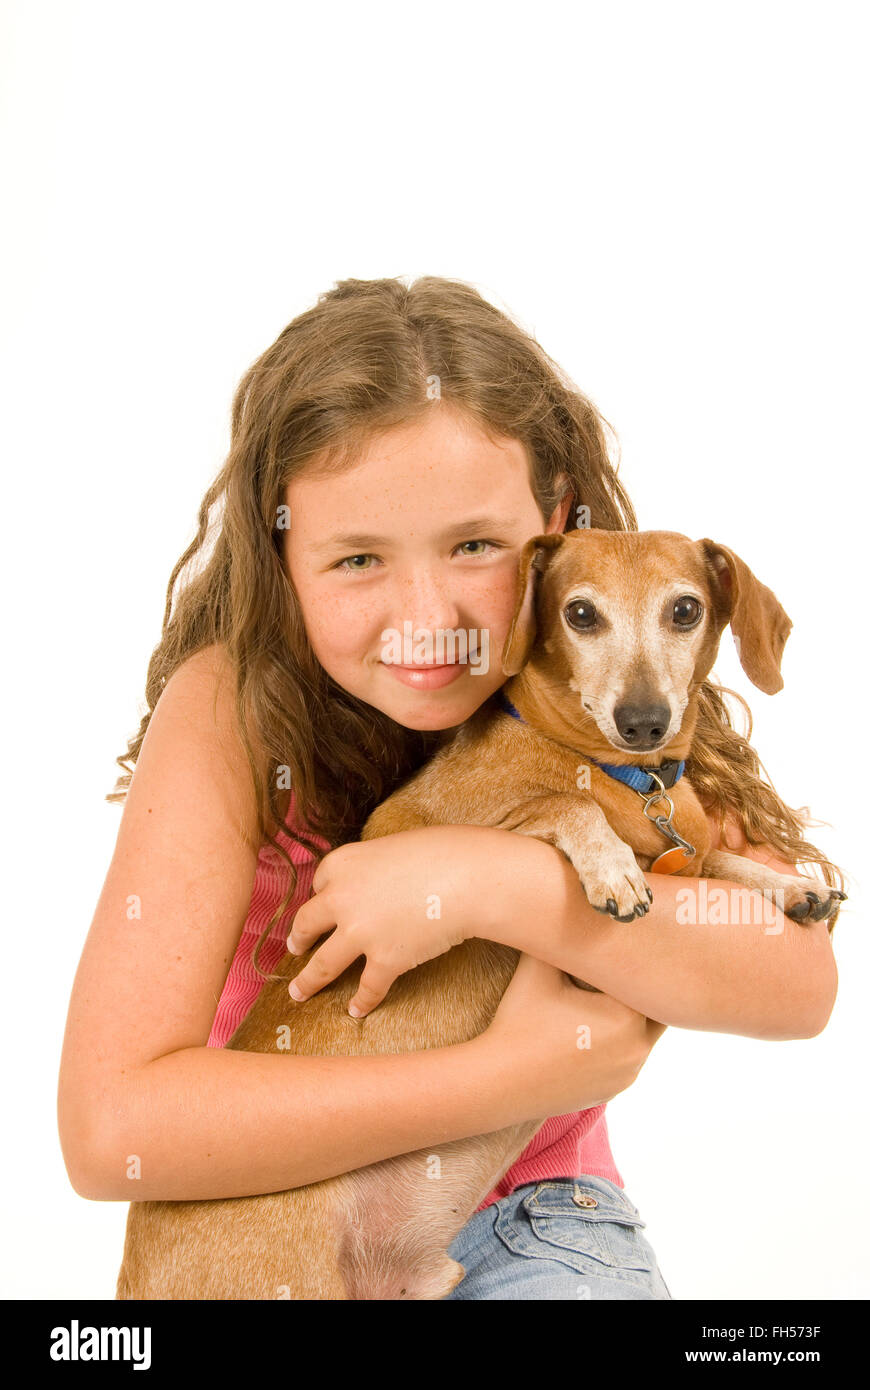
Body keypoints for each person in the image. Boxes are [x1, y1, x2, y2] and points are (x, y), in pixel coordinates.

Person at [57, 275, 842, 1300]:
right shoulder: (231, 712)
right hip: (271, 1210)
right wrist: (515, 1076)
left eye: (476, 546)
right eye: (355, 558)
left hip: (536, 1221)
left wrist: (486, 883)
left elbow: (799, 983)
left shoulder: (619, 695)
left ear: (558, 523)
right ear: (278, 542)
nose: (425, 615)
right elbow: (110, 1131)